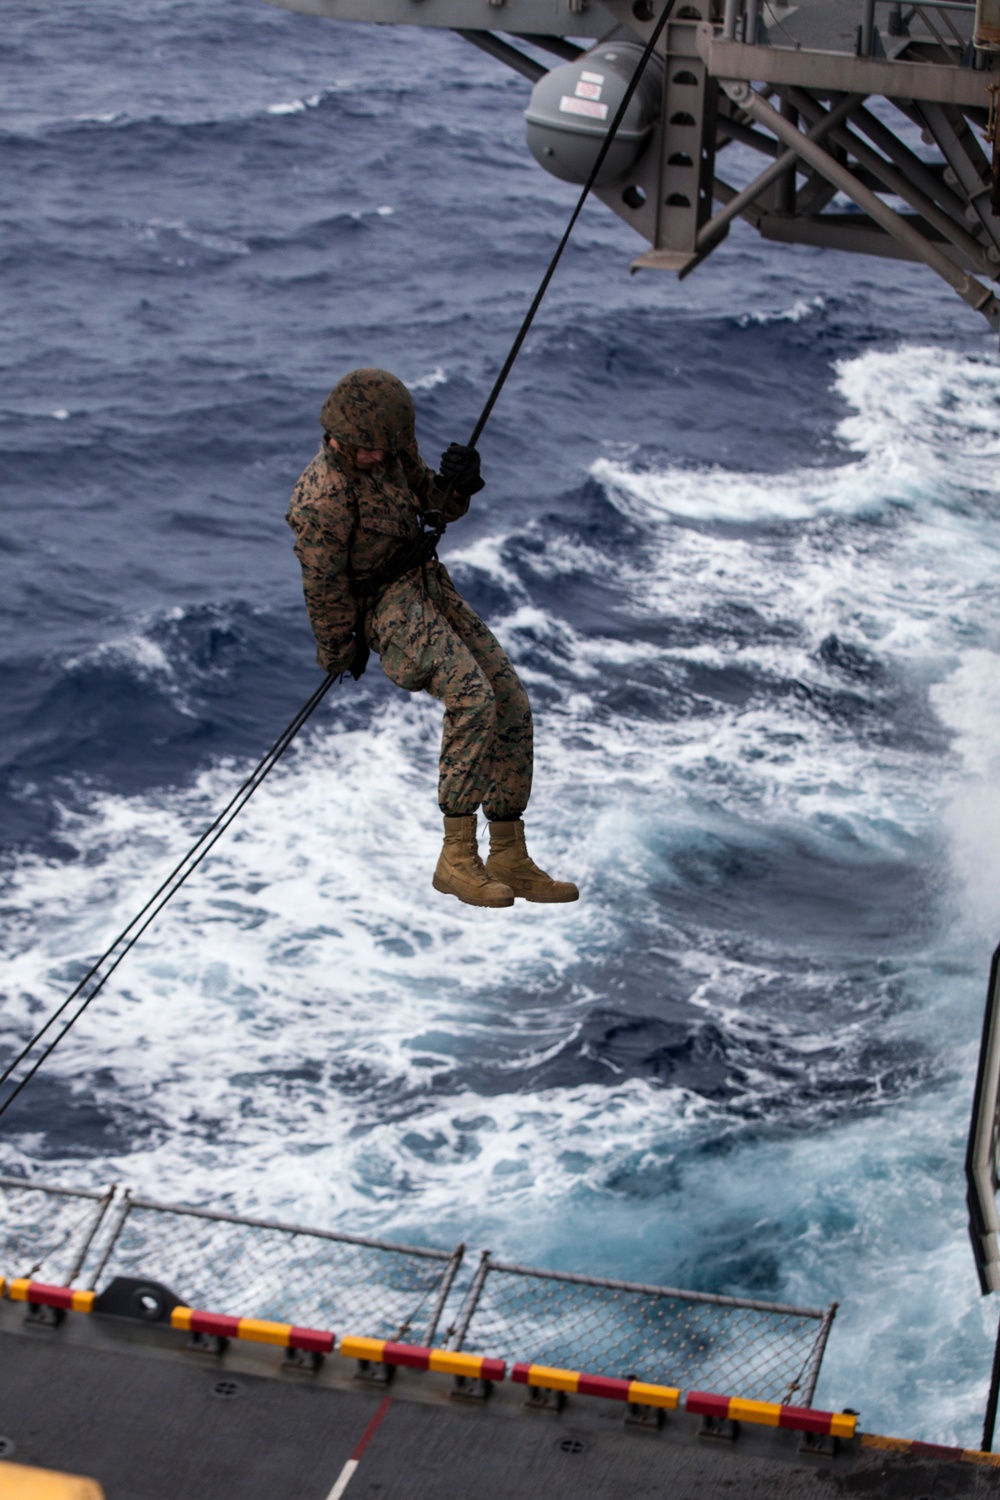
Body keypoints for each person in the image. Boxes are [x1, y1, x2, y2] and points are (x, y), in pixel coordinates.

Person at [286, 367, 578, 909]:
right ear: (337, 438)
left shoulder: (390, 451)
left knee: (509, 699)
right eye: (362, 449)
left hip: (424, 581)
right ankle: (456, 857)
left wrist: (459, 483)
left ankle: (508, 853)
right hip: (384, 606)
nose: (376, 457)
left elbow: (438, 506)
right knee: (471, 697)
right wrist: (338, 649)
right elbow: (323, 587)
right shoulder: (322, 498)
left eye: (382, 449)